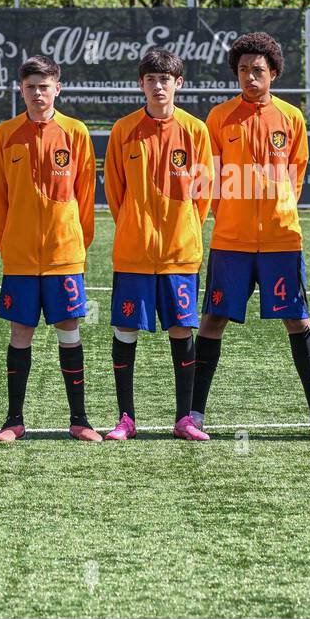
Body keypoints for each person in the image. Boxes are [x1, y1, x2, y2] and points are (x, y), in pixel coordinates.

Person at [194, 32, 310, 437]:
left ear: (273, 73)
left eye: (258, 70)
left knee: (298, 319)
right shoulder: (219, 118)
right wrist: (231, 219)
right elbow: (212, 181)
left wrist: (275, 211)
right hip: (231, 242)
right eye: (243, 70)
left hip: (281, 240)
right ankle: (195, 414)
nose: (250, 77)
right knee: (212, 321)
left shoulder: (291, 118)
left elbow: (295, 172)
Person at [0, 55, 100, 443]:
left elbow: (86, 198)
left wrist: (76, 245)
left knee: (69, 331)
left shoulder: (76, 132)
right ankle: (13, 421)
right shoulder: (6, 134)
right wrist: (9, 245)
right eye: (31, 86)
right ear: (21, 90)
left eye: (44, 86)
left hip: (64, 255)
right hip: (19, 257)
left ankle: (80, 419)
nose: (38, 93)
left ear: (58, 88)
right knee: (21, 332)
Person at [103, 49, 212, 441]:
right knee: (125, 330)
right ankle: (125, 418)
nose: (158, 85)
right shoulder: (123, 129)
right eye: (151, 79)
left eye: (165, 79)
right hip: (133, 252)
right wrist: (135, 226)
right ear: (141, 85)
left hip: (180, 254)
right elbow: (115, 192)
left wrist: (182, 231)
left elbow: (203, 194)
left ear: (178, 84)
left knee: (182, 331)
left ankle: (184, 418)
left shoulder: (196, 131)